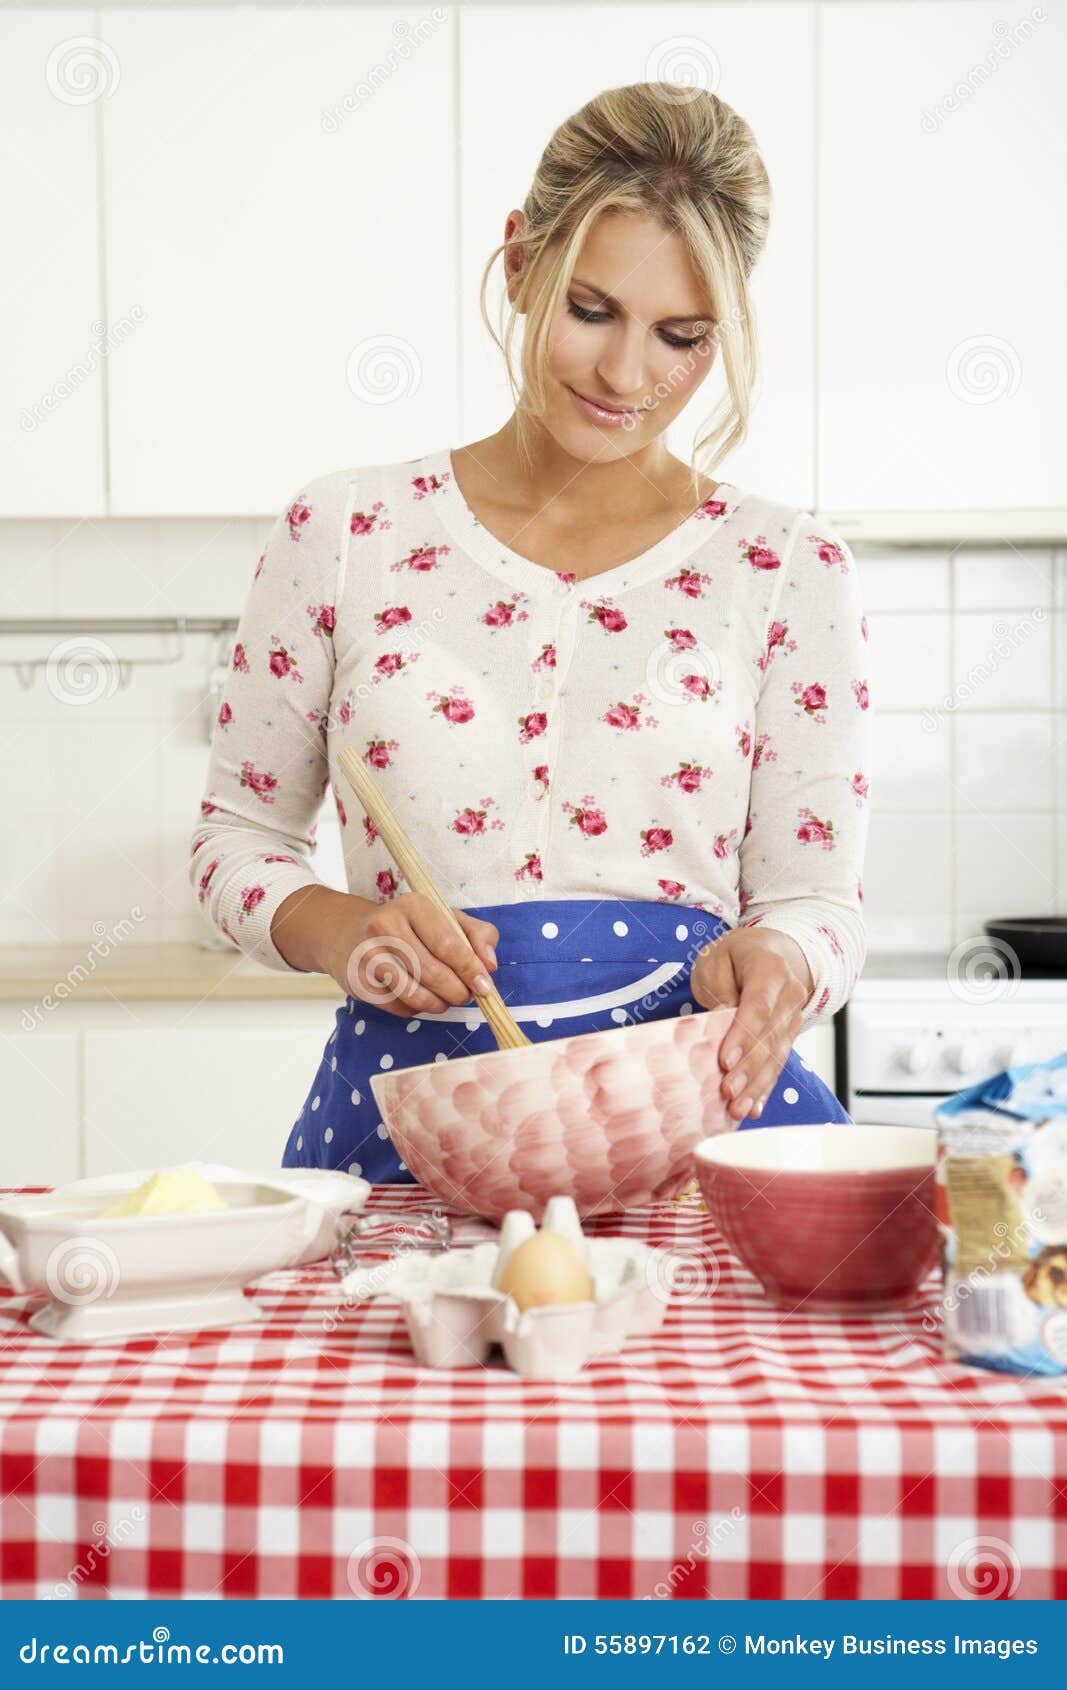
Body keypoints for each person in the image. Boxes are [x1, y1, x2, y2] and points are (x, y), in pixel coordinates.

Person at [190, 81, 872, 1186]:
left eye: (680, 336)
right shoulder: (348, 531)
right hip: (410, 1134)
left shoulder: (786, 568)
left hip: (698, 1131)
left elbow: (813, 901)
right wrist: (349, 934)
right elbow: (236, 840)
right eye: (590, 309)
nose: (624, 375)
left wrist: (783, 959)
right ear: (518, 264)